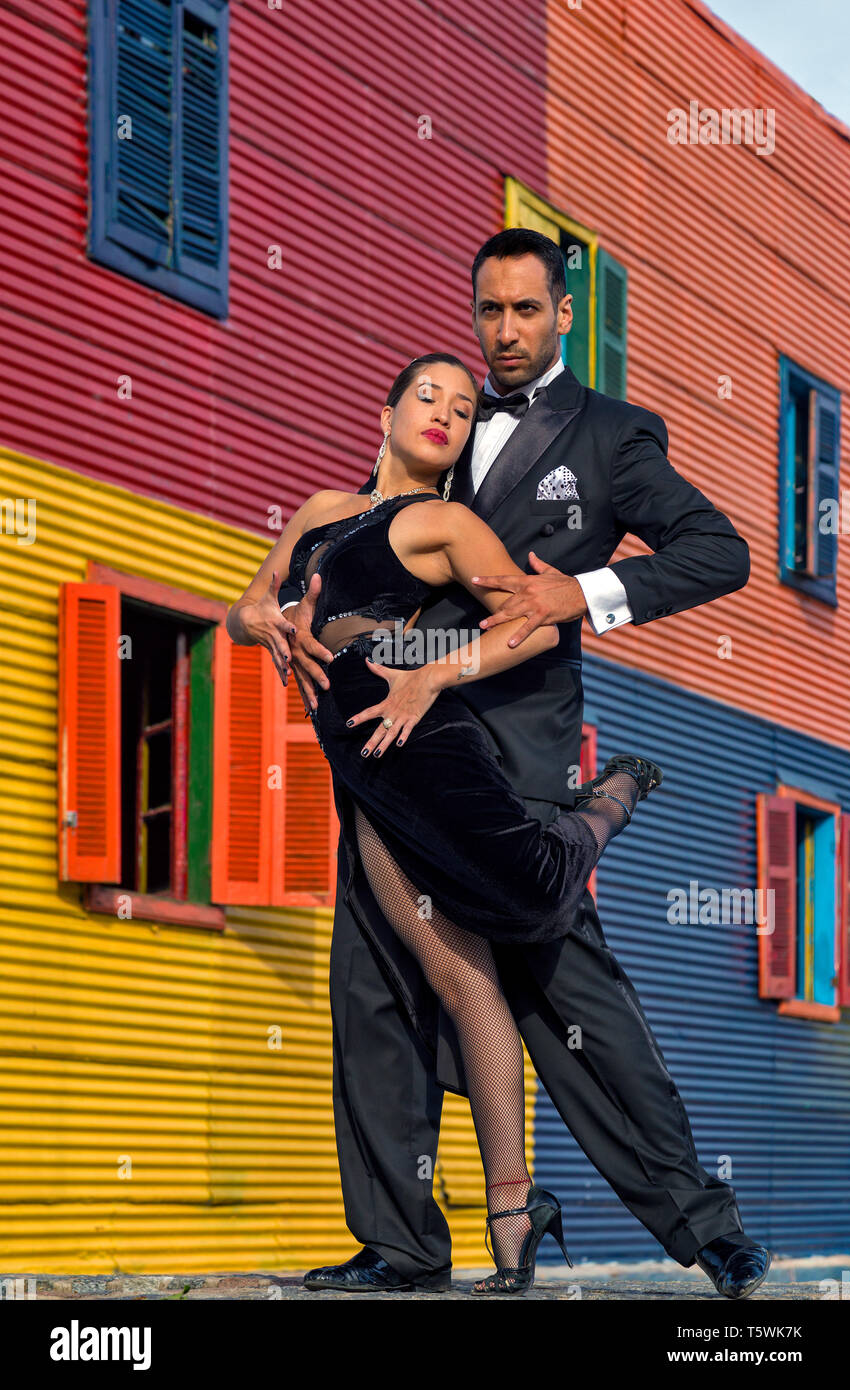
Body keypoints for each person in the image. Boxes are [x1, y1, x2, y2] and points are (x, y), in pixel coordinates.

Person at [266, 229, 771, 1301]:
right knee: (374, 996)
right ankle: (401, 1244)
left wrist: (580, 593)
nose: (504, 332)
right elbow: (344, 555)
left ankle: (706, 1223)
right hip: (392, 763)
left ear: (564, 314)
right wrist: (277, 618)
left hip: (520, 764)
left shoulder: (613, 437)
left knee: (579, 1010)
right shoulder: (431, 441)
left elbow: (717, 552)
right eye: (489, 310)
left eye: (526, 311)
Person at [227, 350, 665, 1293]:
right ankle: (505, 1214)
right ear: (385, 410)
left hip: (421, 744)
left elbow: (537, 620)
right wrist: (261, 617)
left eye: (464, 411)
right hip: (362, 768)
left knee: (530, 896)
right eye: (428, 397)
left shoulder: (446, 522)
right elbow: (246, 603)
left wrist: (433, 670)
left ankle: (611, 796)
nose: (445, 416)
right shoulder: (316, 514)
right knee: (454, 974)